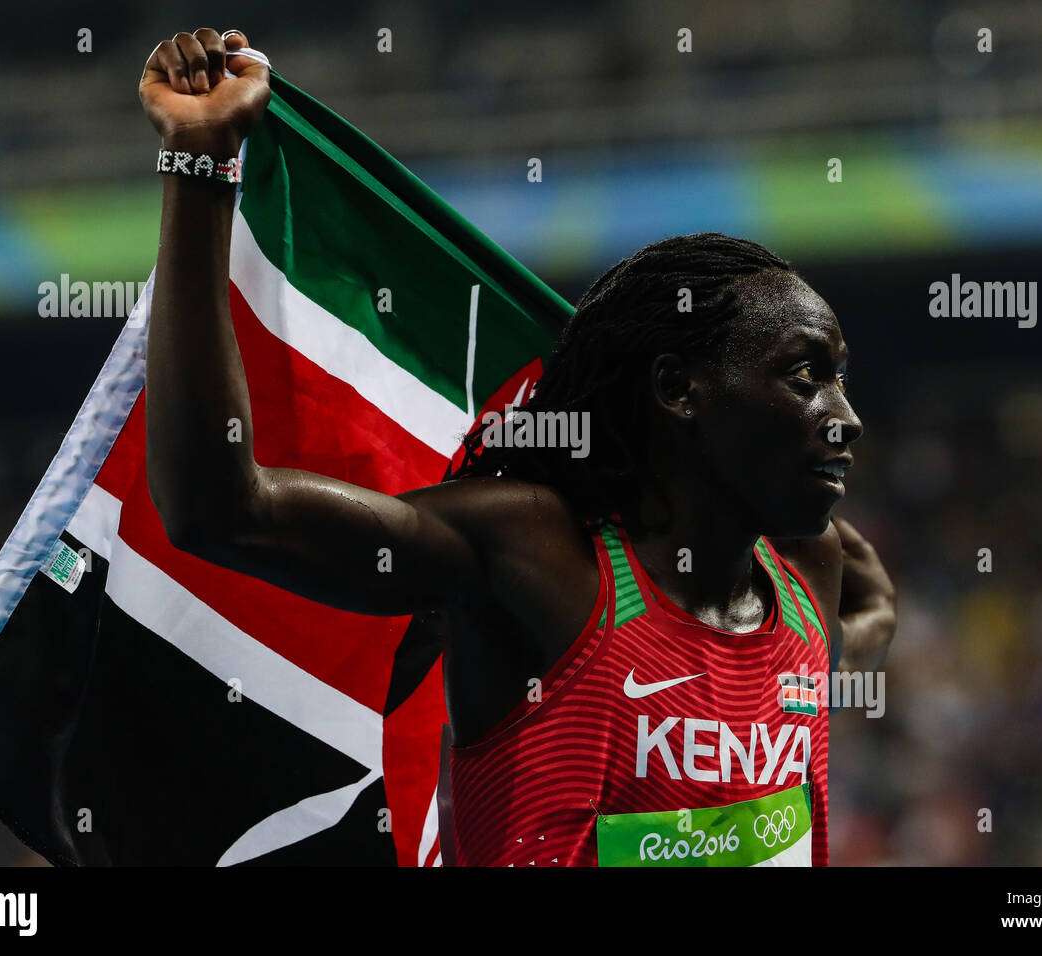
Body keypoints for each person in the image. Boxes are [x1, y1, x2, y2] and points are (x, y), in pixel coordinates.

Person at [139, 28, 897, 866]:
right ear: (680, 389)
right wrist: (201, 167)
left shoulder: (808, 576)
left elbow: (855, 628)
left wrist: (872, 614)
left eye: (841, 379)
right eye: (805, 376)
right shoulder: (537, 555)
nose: (846, 417)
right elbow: (221, 507)